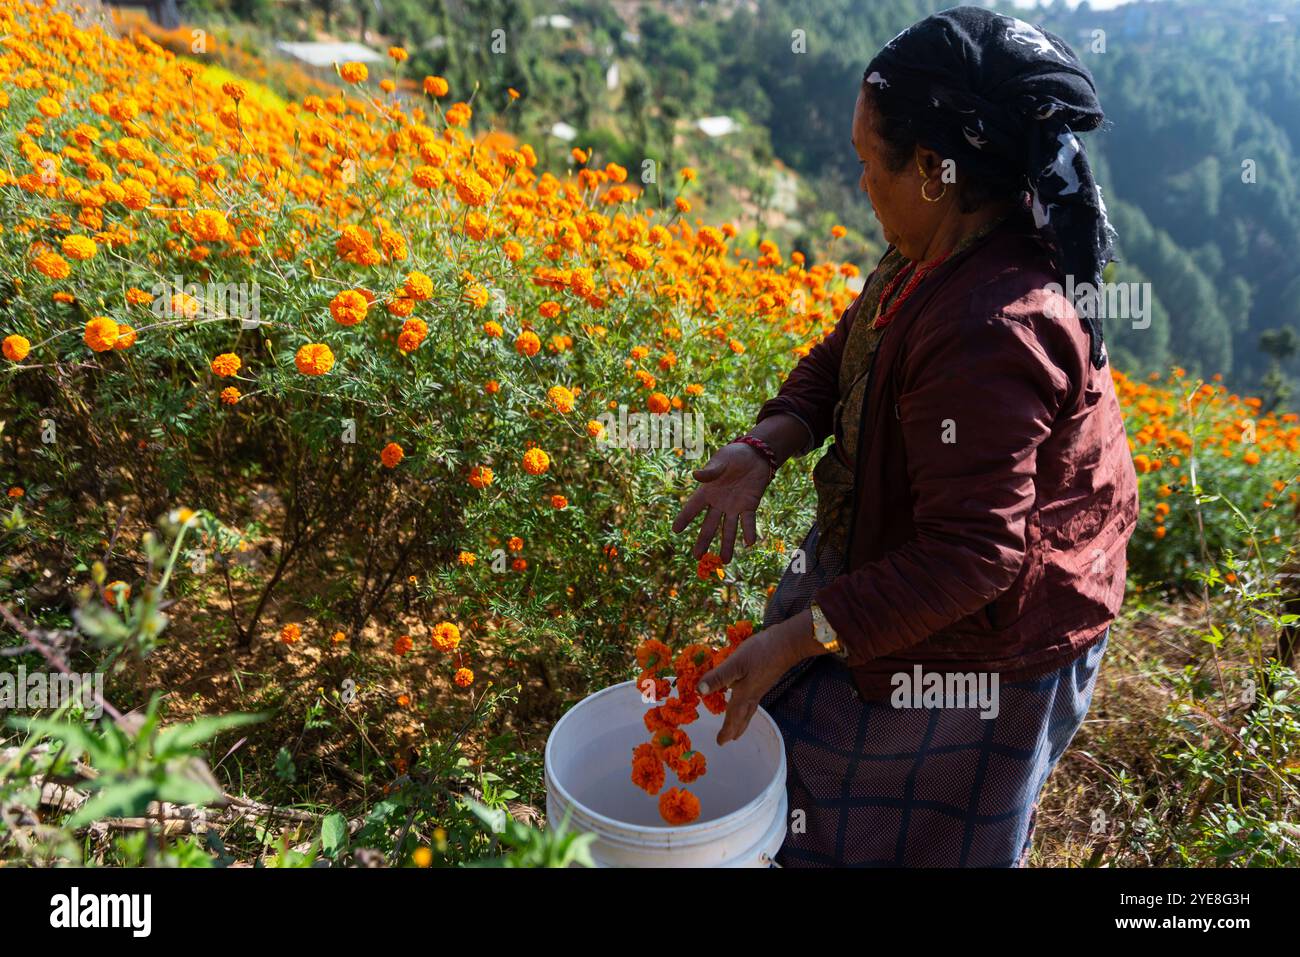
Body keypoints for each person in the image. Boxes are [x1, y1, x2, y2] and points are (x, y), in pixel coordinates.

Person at [673, 6, 1139, 867]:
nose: (859, 183)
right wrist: (767, 444)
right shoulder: (951, 233)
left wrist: (790, 640)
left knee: (904, 834)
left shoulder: (990, 324)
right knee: (812, 779)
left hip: (993, 639)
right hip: (930, 563)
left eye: (866, 162)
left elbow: (971, 557)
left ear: (933, 166)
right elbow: (855, 343)